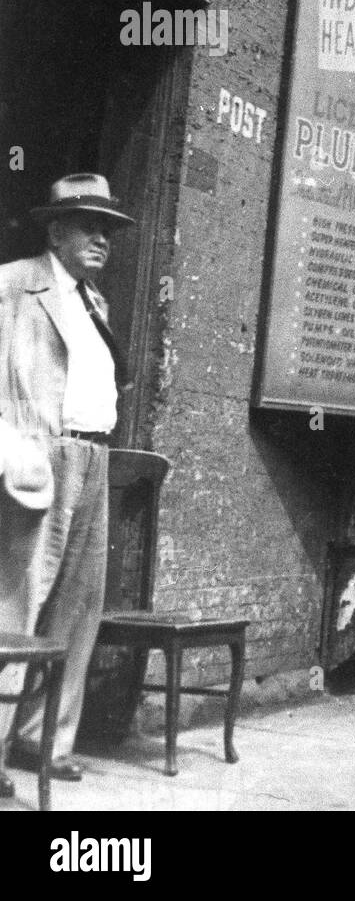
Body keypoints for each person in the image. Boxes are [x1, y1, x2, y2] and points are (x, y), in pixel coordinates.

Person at [0, 173, 134, 793]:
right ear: (55, 230)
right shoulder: (12, 285)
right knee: (16, 603)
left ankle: (42, 742)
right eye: (89, 224)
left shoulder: (95, 302)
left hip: (94, 458)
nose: (102, 238)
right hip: (38, 456)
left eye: (108, 228)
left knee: (77, 610)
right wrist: (12, 451)